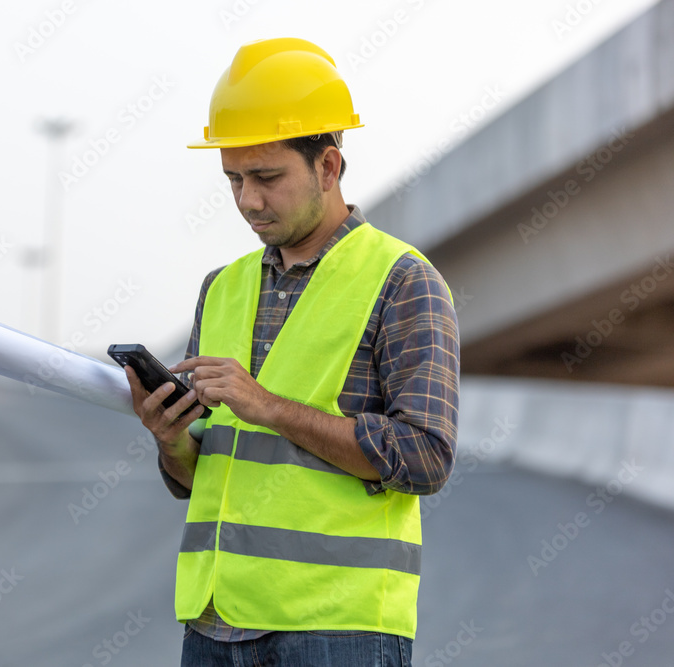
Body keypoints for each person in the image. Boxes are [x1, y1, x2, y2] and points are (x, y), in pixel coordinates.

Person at [122, 37, 459, 667]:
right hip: (214, 622)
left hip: (337, 628)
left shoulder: (403, 281)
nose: (248, 199)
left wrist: (269, 406)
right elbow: (209, 475)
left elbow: (426, 458)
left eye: (267, 178)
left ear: (329, 167)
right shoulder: (221, 288)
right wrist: (170, 442)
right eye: (233, 179)